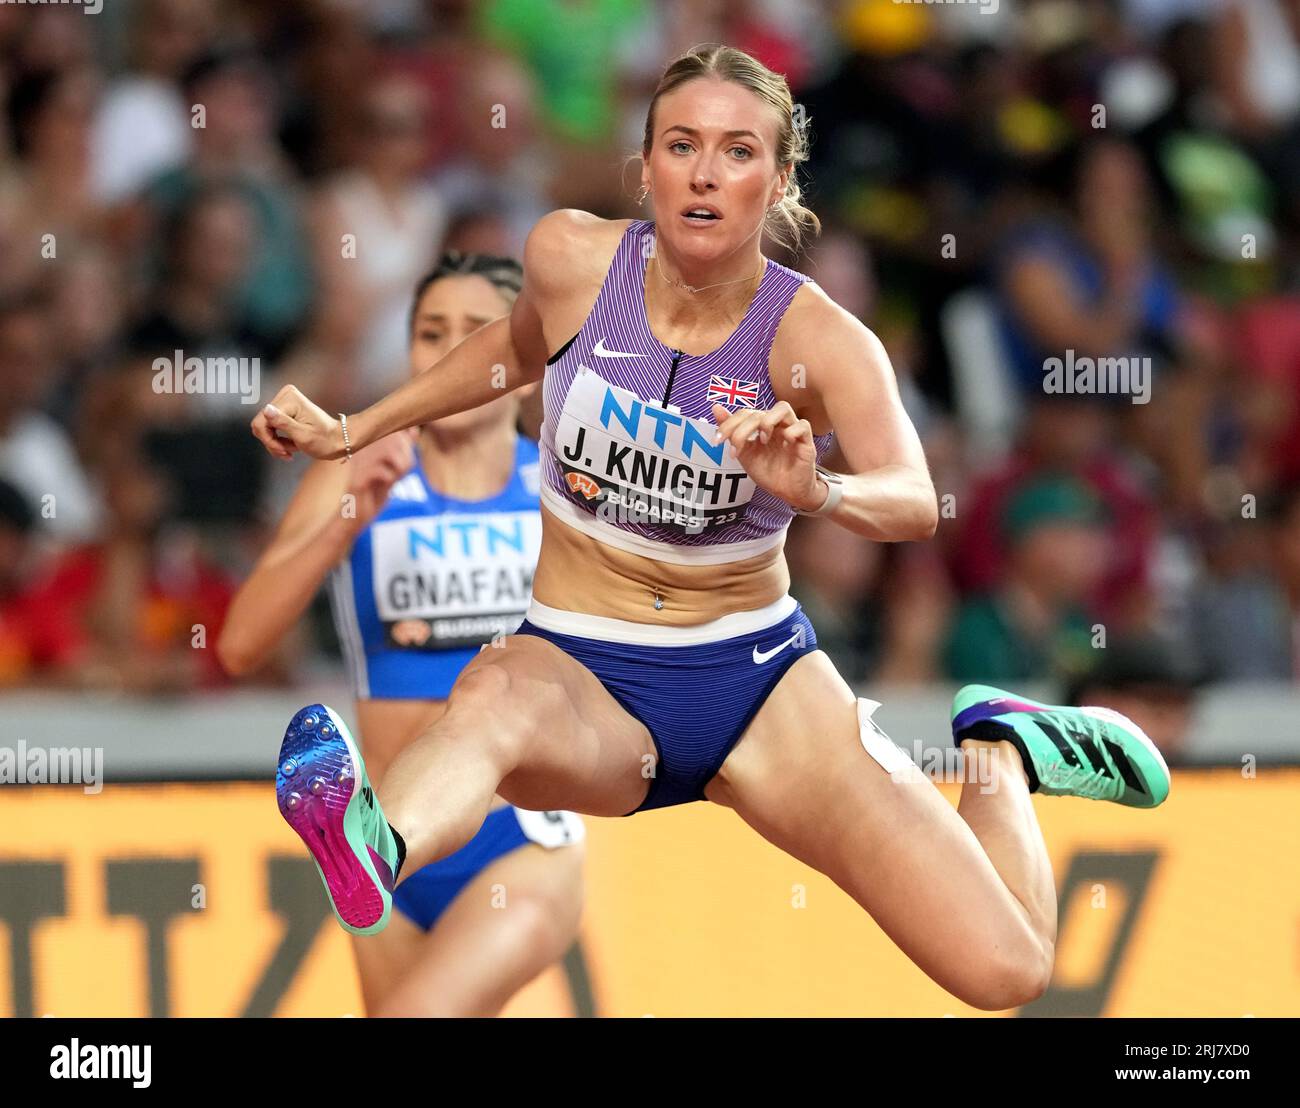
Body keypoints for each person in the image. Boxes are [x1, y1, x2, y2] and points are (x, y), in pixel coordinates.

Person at [251, 45, 1170, 1012]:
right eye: (681, 145)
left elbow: (911, 497)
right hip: (583, 665)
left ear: (778, 181)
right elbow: (512, 353)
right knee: (493, 698)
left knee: (1007, 973)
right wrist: (357, 428)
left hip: (757, 682)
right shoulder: (571, 259)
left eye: (737, 152)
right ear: (644, 166)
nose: (702, 171)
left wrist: (815, 490)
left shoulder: (817, 340)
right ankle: (368, 844)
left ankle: (999, 753)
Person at [220, 253, 584, 1017]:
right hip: (379, 849)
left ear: (515, 358)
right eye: (430, 333)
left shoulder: (560, 488)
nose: (450, 350)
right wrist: (348, 511)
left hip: (518, 840)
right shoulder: (358, 467)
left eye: (475, 331)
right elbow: (239, 644)